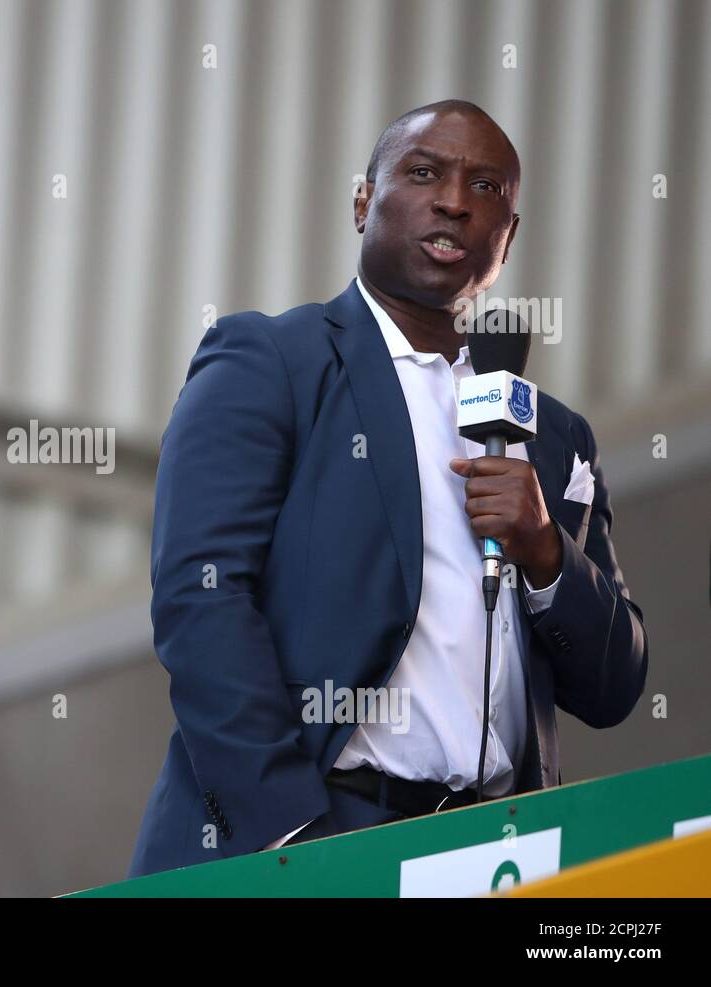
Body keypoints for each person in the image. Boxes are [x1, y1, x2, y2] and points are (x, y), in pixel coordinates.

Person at [127, 99, 648, 879]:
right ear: (363, 200)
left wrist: (546, 553)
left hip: (496, 853)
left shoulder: (555, 434)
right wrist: (295, 842)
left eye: (486, 188)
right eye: (424, 172)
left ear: (509, 235)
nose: (453, 200)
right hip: (322, 835)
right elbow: (200, 600)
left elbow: (613, 684)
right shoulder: (272, 360)